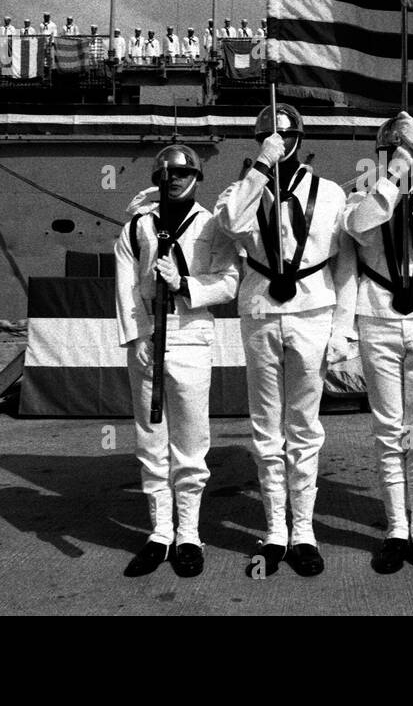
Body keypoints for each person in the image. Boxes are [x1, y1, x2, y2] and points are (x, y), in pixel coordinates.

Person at [213, 104, 355, 577]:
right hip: (260, 311)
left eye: (284, 136)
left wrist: (342, 330)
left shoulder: (331, 194)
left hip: (313, 311)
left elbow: (345, 266)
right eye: (267, 137)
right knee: (265, 427)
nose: (277, 142)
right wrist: (260, 169)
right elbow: (230, 223)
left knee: (305, 427)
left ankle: (304, 532)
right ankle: (275, 530)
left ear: (300, 138)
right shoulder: (242, 191)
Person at [115, 144, 239, 577]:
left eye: (184, 173)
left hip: (190, 333)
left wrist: (184, 282)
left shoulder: (212, 226)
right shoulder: (138, 228)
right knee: (151, 442)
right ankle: (159, 533)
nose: (175, 179)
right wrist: (136, 337)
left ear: (197, 178)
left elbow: (228, 282)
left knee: (190, 443)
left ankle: (188, 533)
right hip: (149, 335)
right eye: (167, 174)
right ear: (157, 178)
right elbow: (127, 287)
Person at [341, 111, 413, 575]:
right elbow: (363, 224)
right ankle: (395, 528)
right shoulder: (359, 192)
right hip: (378, 317)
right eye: (391, 151)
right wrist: (392, 174)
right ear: (380, 155)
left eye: (402, 149)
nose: (399, 157)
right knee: (389, 430)